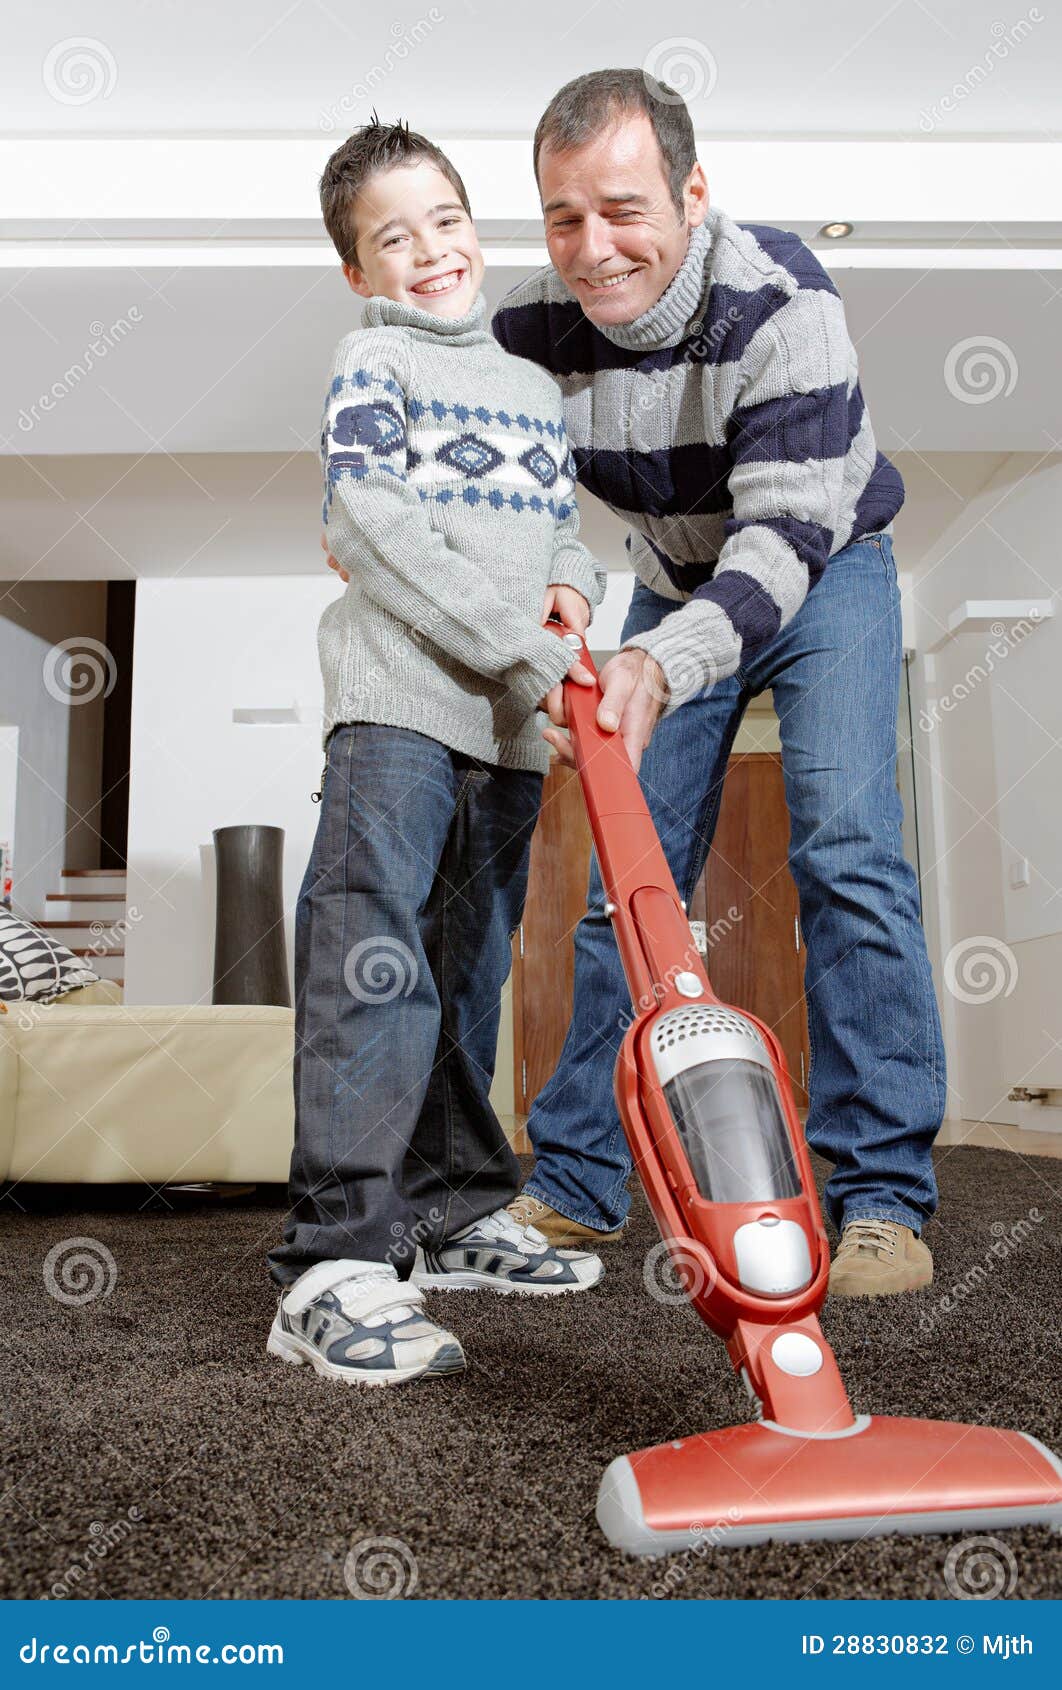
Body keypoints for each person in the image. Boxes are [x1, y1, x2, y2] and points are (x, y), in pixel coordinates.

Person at [490, 69, 946, 1299]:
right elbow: (480, 468)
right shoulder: (530, 329)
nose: (593, 248)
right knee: (626, 885)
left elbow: (784, 537)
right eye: (564, 218)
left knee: (847, 847)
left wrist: (660, 656)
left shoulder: (783, 301)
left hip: (827, 565)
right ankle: (578, 1182)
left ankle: (883, 1200)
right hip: (673, 576)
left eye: (623, 210)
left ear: (694, 193)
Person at [267, 118, 607, 1389]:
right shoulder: (373, 361)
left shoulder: (530, 384)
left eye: (447, 223)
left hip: (507, 730)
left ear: (476, 224)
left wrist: (572, 586)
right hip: (401, 704)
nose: (430, 253)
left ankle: (455, 1211)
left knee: (469, 971)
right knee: (374, 965)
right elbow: (370, 519)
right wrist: (523, 648)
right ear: (357, 269)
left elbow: (559, 527)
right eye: (393, 239)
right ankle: (332, 1263)